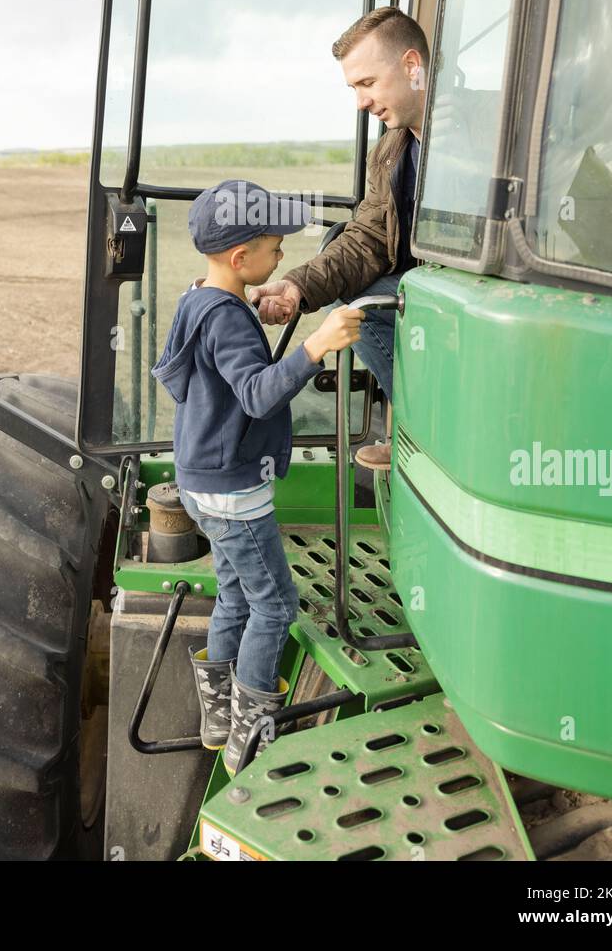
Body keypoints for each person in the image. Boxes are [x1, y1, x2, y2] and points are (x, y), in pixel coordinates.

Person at [150, 177, 364, 775]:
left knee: (234, 596)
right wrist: (317, 345)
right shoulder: (230, 320)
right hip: (234, 493)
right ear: (241, 258)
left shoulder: (200, 299)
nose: (282, 256)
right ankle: (253, 739)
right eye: (275, 248)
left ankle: (219, 721)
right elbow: (257, 396)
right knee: (275, 607)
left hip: (200, 481)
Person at [249, 6, 429, 470]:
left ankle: (421, 429)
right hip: (429, 291)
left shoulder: (484, 135)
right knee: (348, 279)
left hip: (471, 297)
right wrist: (297, 287)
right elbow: (367, 236)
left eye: (367, 84)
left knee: (364, 305)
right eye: (354, 89)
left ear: (412, 66)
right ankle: (419, 423)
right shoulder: (391, 151)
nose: (361, 102)